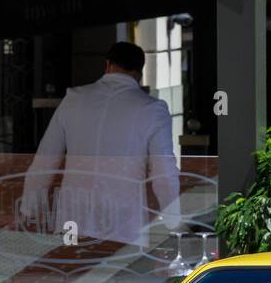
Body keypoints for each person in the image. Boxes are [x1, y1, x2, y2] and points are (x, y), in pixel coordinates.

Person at [20, 41, 180, 247]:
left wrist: (27, 211)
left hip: (73, 219)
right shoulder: (152, 109)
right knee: (118, 277)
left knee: (74, 275)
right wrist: (173, 221)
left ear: (107, 65)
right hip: (122, 225)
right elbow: (163, 172)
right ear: (139, 73)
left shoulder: (73, 99)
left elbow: (45, 160)